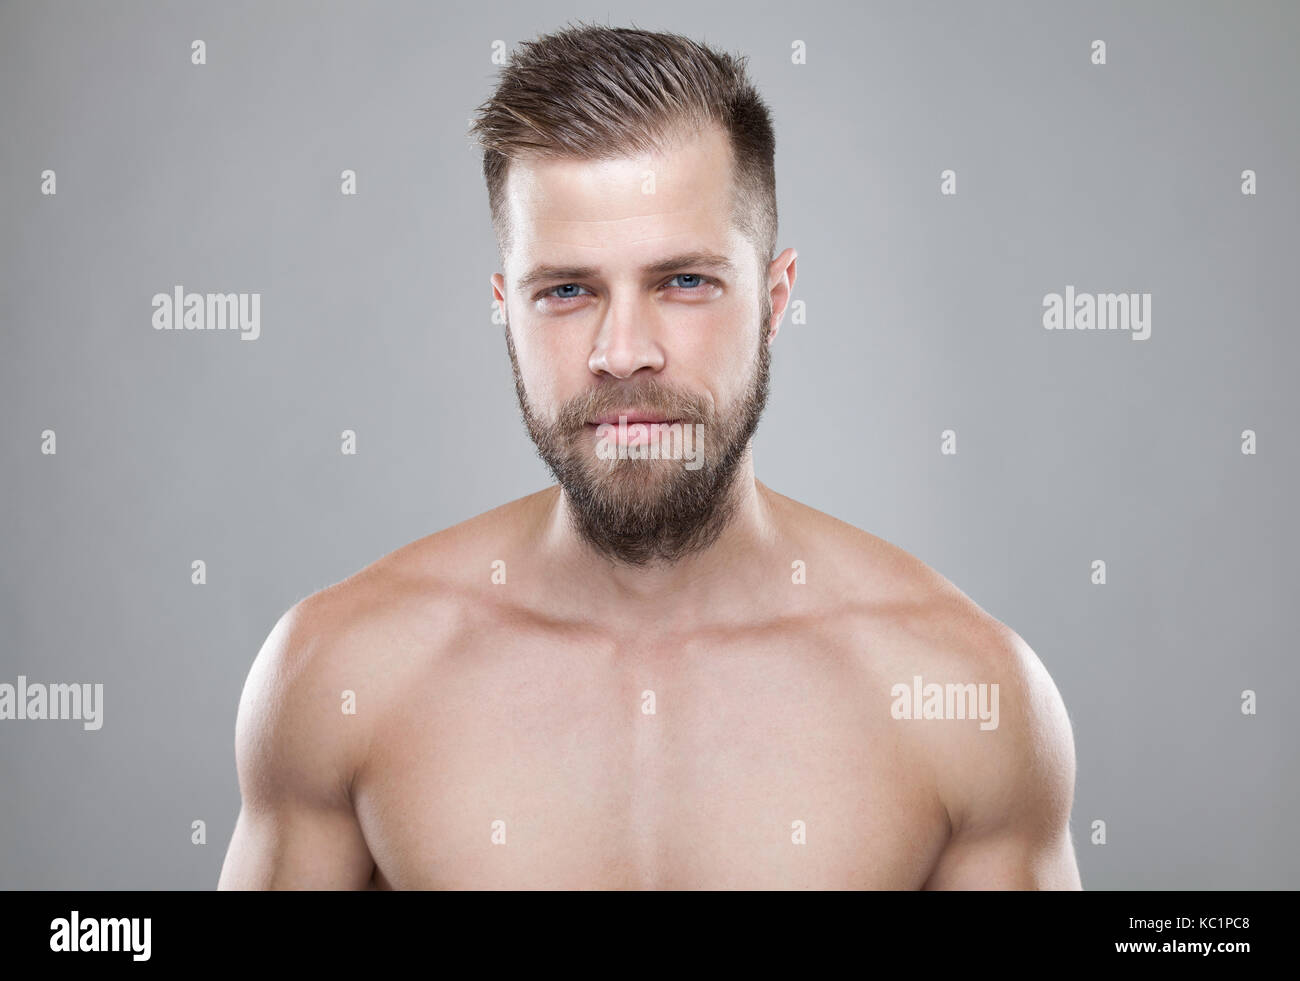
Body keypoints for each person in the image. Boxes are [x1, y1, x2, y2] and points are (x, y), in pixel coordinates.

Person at [218, 22, 1081, 890]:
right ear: (505, 310)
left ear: (775, 299)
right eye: (566, 291)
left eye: (684, 282)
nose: (622, 350)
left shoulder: (961, 695)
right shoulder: (345, 673)